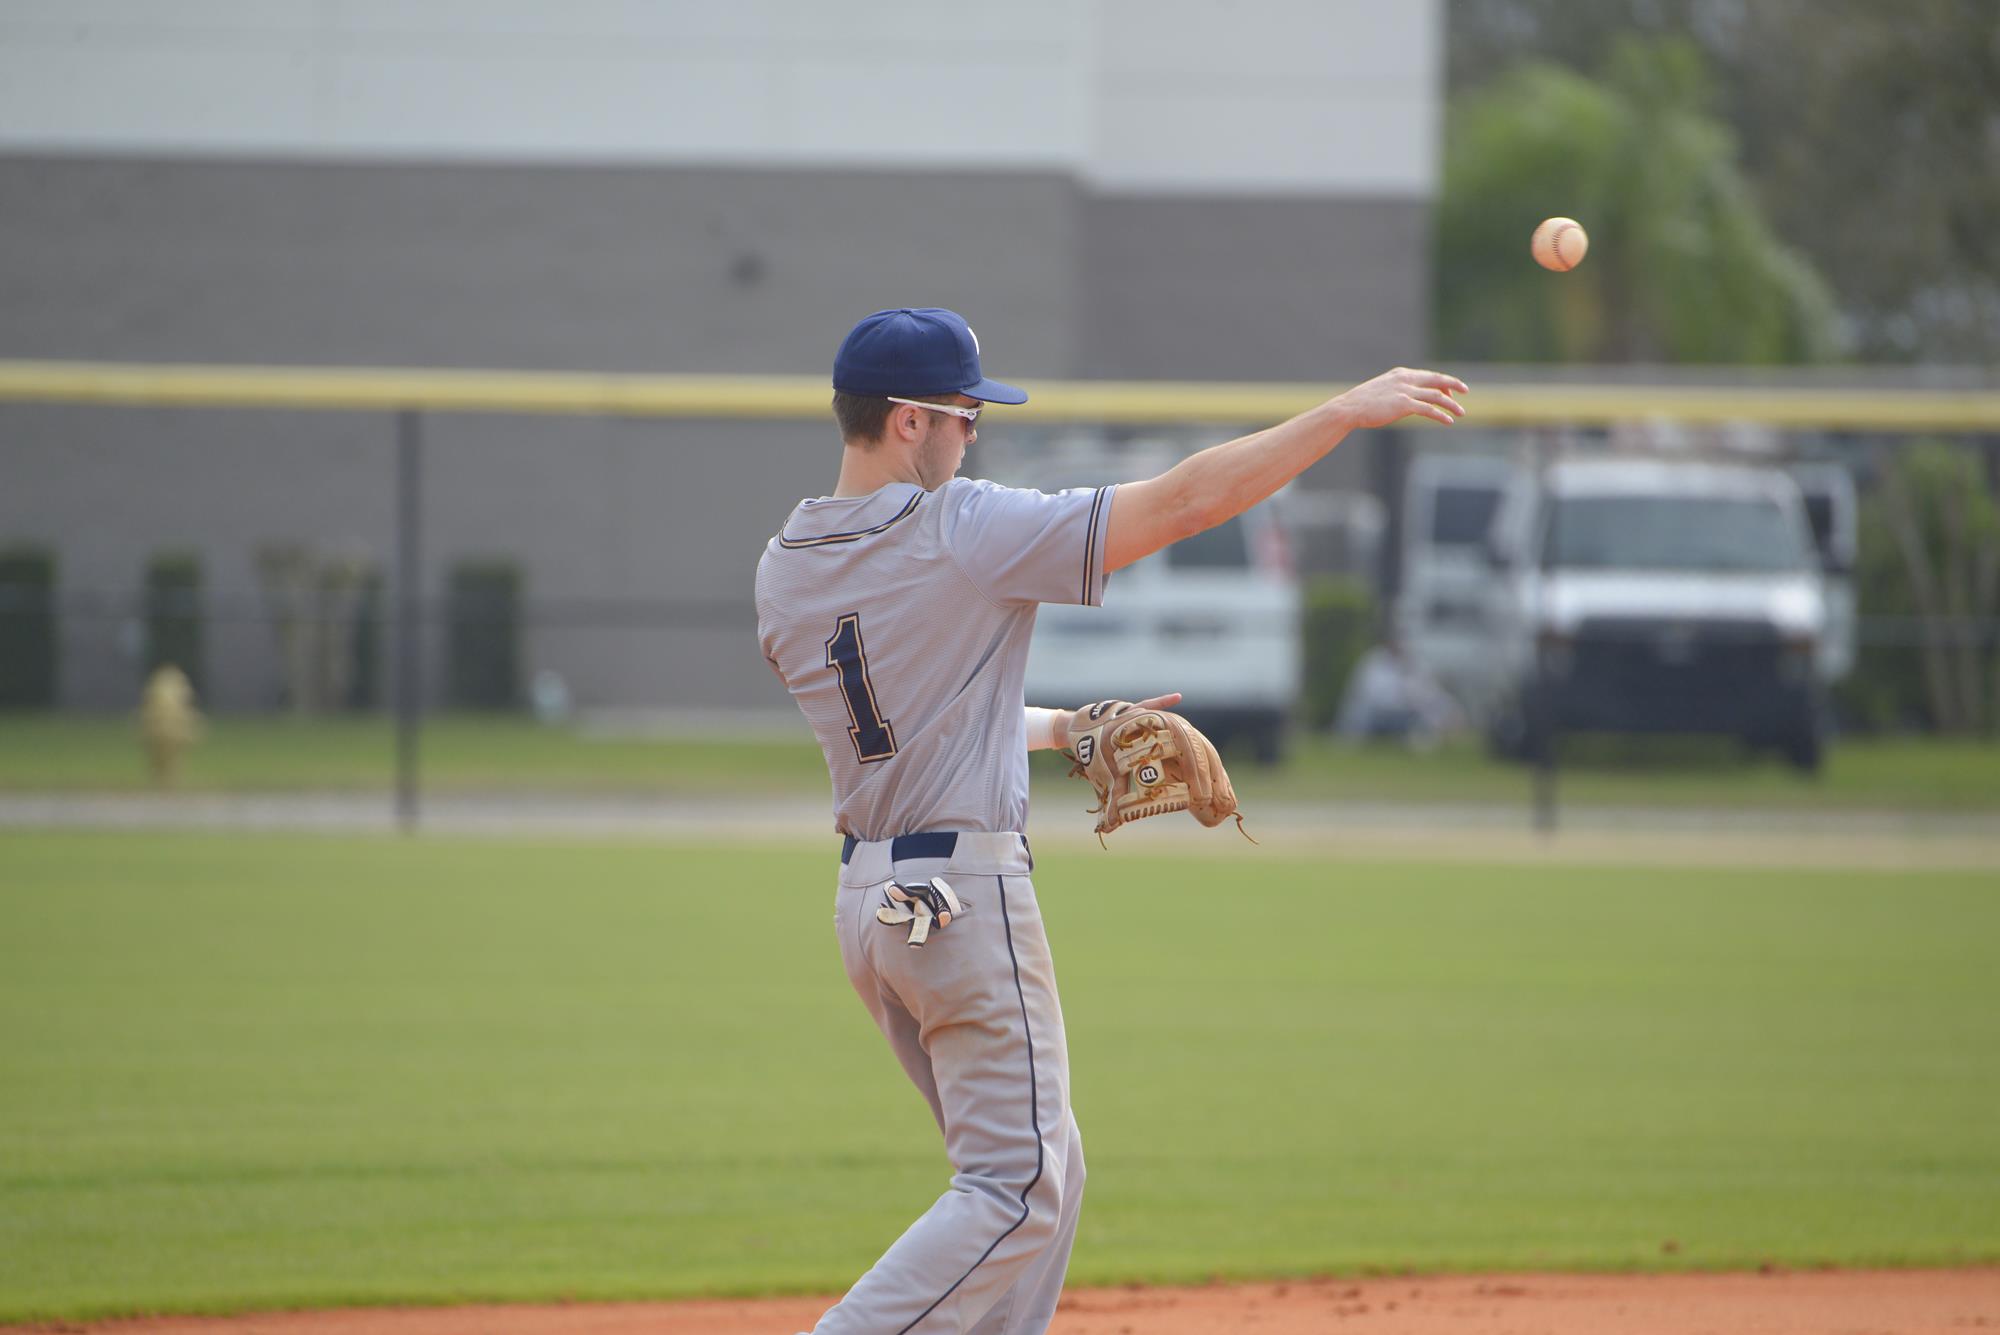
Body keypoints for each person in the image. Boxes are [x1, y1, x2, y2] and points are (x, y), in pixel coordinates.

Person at [755, 306, 1465, 1335]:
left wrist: (1065, 728)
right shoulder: (959, 527)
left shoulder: (786, 562)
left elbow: (910, 723)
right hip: (960, 900)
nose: (973, 434)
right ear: (907, 421)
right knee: (1014, 1190)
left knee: (1047, 1167)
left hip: (872, 904)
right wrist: (1339, 415)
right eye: (962, 414)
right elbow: (1183, 501)